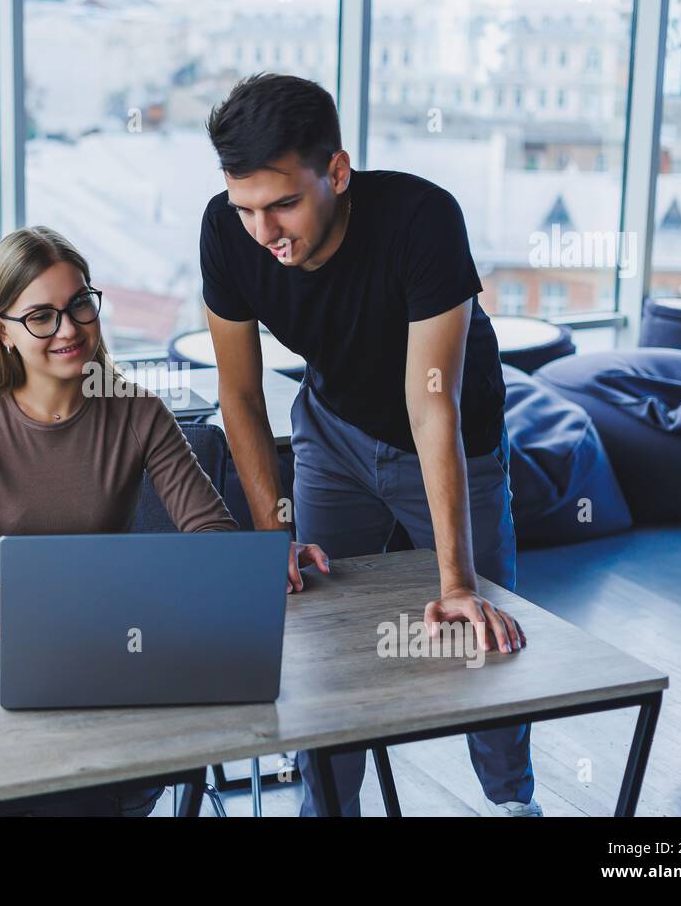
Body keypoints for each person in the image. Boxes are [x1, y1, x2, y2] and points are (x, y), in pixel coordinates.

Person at [199, 73, 539, 817]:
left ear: (338, 172)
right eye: (246, 206)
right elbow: (243, 396)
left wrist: (455, 583)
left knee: (485, 633)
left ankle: (514, 802)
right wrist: (272, 539)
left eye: (284, 203)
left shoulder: (422, 218)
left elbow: (431, 404)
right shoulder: (228, 231)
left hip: (452, 440)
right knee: (322, 637)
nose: (265, 232)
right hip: (335, 432)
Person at [0, 225, 241, 816]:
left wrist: (261, 556)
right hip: (4, 640)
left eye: (79, 306)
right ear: (3, 331)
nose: (69, 329)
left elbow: (214, 537)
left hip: (107, 639)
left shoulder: (137, 411)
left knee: (98, 786)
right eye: (41, 316)